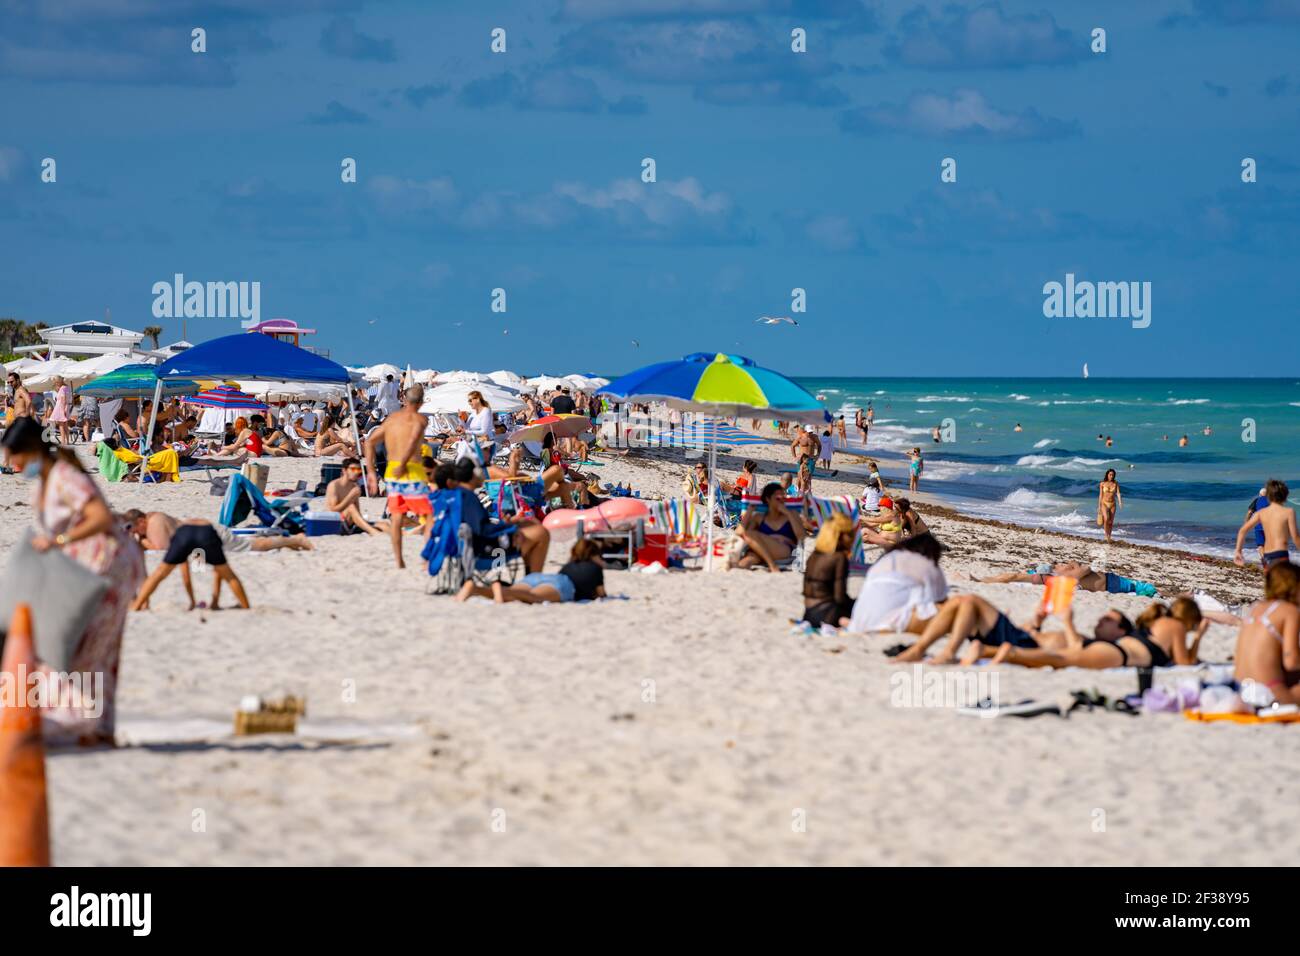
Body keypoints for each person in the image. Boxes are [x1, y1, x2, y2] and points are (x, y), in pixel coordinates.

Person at [0, 416, 145, 744]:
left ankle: (89, 726)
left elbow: (100, 517)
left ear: (31, 451)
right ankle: (94, 726)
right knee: (89, 648)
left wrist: (59, 542)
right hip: (87, 567)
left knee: (92, 647)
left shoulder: (64, 477)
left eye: (15, 458)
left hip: (108, 567)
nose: (12, 465)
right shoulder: (47, 480)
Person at [992, 598, 1205, 670]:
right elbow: (1184, 663)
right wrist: (1197, 638)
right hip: (1118, 656)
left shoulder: (1158, 621)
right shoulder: (1175, 626)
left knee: (1062, 659)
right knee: (1062, 660)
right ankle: (1012, 653)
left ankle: (987, 651)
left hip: (1116, 650)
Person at [365, 384, 429, 569]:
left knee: (397, 517)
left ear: (404, 399)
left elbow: (369, 442)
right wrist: (403, 463)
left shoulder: (391, 420)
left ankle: (399, 561)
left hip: (392, 472)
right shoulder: (420, 419)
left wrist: (371, 471)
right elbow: (413, 438)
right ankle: (425, 560)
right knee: (428, 516)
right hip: (412, 469)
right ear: (421, 402)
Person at [130, 518, 251, 611]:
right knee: (228, 574)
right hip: (206, 533)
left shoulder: (182, 528)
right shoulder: (206, 528)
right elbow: (218, 573)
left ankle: (137, 606)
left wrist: (192, 601)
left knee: (160, 573)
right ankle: (246, 607)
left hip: (184, 533)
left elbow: (185, 574)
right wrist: (215, 602)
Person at [452, 458, 550, 573]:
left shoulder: (457, 494)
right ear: (474, 474)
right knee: (541, 533)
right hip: (486, 553)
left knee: (530, 522)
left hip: (468, 548)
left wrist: (508, 522)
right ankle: (532, 579)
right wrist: (506, 525)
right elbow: (483, 529)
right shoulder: (469, 499)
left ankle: (530, 576)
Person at [847, 532, 948, 635]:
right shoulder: (927, 564)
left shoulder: (888, 557)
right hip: (885, 624)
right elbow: (941, 600)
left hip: (858, 619)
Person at [455, 538, 604, 604]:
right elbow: (601, 594)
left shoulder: (570, 565)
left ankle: (475, 588)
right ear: (593, 555)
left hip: (540, 577)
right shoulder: (595, 569)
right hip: (562, 585)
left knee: (514, 593)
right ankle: (492, 588)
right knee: (532, 597)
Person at [1232, 562, 1300, 706]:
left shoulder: (1255, 607)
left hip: (1238, 688)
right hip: (1267, 691)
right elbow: (1291, 661)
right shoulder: (1290, 611)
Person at [124, 508, 311, 559]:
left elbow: (161, 548)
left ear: (141, 521)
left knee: (255, 547)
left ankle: (294, 539)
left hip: (207, 535)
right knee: (250, 543)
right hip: (205, 533)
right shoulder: (154, 517)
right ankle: (289, 542)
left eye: (136, 529)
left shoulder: (155, 523)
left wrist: (140, 541)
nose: (137, 533)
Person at [972, 560, 1156, 597]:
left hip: (1112, 582)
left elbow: (1014, 576)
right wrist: (1074, 565)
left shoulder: (1058, 576)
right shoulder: (1072, 573)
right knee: (1144, 588)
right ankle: (983, 581)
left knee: (1014, 576)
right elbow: (1087, 567)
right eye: (1059, 564)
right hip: (1115, 584)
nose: (1061, 563)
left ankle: (983, 580)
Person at [734, 482, 806, 572]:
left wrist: (788, 513)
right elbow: (739, 533)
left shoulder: (792, 514)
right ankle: (737, 571)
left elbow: (801, 536)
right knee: (748, 559)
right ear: (768, 499)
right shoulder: (759, 517)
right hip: (762, 550)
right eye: (778, 497)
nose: (782, 500)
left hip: (783, 549)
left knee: (750, 537)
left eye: (784, 497)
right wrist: (749, 512)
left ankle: (772, 565)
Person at [802, 514, 855, 628]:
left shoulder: (814, 554)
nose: (852, 536)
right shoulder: (839, 557)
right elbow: (840, 597)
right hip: (827, 614)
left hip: (808, 613)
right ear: (840, 535)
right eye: (850, 533)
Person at [1235, 479, 1298, 571]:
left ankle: (1264, 560)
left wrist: (1238, 551)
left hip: (1267, 551)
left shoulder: (1259, 508)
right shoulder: (1288, 512)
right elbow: (1295, 537)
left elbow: (1243, 528)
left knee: (1261, 545)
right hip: (1281, 553)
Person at [324, 458, 387, 534]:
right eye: (353, 469)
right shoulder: (334, 485)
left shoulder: (354, 486)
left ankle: (404, 534)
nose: (356, 472)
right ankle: (372, 531)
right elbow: (333, 510)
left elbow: (357, 511)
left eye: (358, 470)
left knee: (384, 525)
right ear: (344, 470)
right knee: (351, 507)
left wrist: (363, 522)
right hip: (336, 523)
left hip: (351, 521)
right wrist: (350, 497)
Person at [45, 375, 72, 445]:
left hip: (60, 407)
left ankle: (63, 441)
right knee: (65, 425)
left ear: (59, 381)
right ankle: (67, 441)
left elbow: (64, 399)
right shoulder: (67, 387)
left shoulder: (62, 388)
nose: (56, 383)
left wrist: (64, 409)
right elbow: (67, 399)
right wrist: (66, 408)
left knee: (61, 425)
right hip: (65, 406)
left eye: (57, 382)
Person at [1097, 468, 1121, 542]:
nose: (1111, 476)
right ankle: (1106, 535)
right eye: (1110, 474)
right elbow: (1100, 495)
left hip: (1113, 504)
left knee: (1111, 521)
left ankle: (1109, 537)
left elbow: (1118, 493)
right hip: (1104, 503)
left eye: (1113, 475)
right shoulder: (1102, 483)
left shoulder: (1115, 483)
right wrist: (1099, 506)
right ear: (1107, 475)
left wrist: (1120, 502)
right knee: (1106, 519)